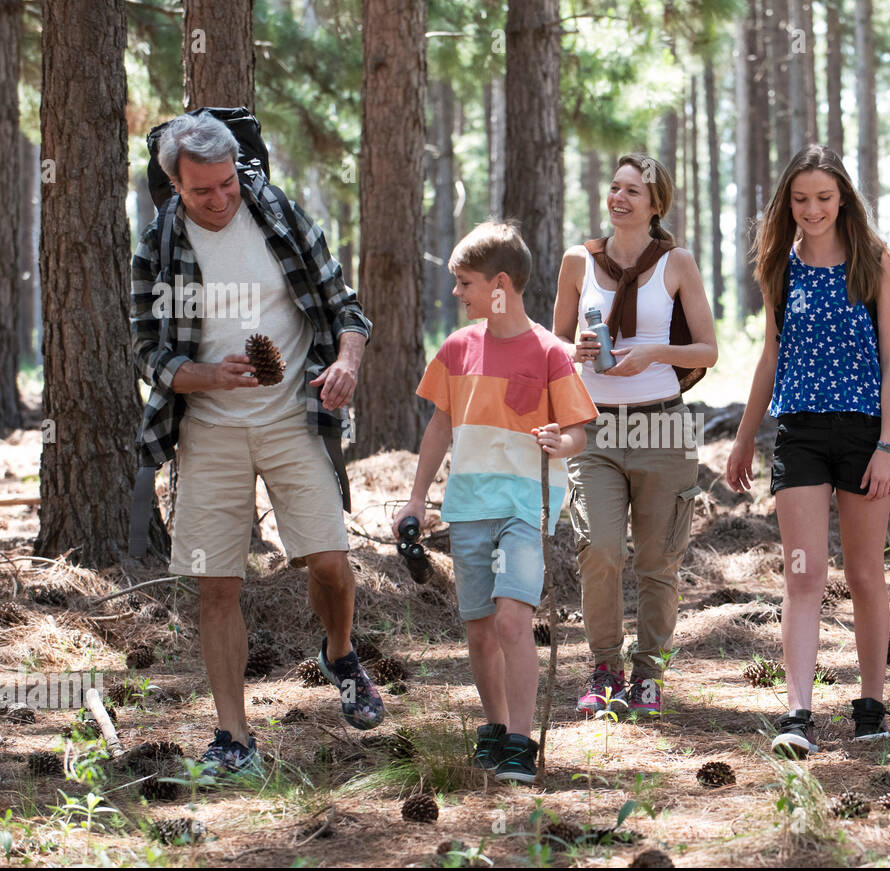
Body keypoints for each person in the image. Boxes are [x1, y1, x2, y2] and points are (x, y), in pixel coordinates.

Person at [129, 112, 382, 775]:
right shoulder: (158, 246)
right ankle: (234, 738)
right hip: (209, 428)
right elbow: (148, 352)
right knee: (216, 585)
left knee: (329, 559)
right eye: (201, 191)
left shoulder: (275, 210)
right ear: (174, 185)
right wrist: (207, 375)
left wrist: (347, 362)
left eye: (227, 185)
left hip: (295, 415)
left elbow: (346, 307)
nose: (220, 200)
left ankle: (339, 650)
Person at [394, 221, 596, 782]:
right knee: (480, 627)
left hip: (525, 510)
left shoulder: (552, 353)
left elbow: (581, 432)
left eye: (465, 282)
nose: (457, 293)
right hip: (467, 509)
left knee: (512, 622)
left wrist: (564, 440)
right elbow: (440, 425)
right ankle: (493, 726)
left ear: (500, 284)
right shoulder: (457, 350)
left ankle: (520, 743)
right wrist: (416, 497)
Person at [725, 144, 890, 756]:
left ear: (844, 199)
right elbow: (770, 355)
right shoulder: (779, 265)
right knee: (804, 576)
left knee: (863, 573)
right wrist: (746, 436)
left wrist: (888, 445)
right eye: (800, 199)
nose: (812, 210)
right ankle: (798, 713)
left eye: (824, 198)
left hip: (862, 434)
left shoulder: (874, 262)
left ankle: (871, 705)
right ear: (787, 203)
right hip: (798, 432)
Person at [553, 153, 717, 718]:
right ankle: (604, 668)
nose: (618, 198)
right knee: (598, 549)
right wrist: (576, 351)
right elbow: (555, 349)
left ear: (655, 204)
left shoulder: (676, 263)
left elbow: (707, 350)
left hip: (662, 424)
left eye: (632, 191)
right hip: (594, 427)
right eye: (614, 187)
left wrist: (654, 351)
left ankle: (649, 673)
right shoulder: (578, 261)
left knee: (657, 560)